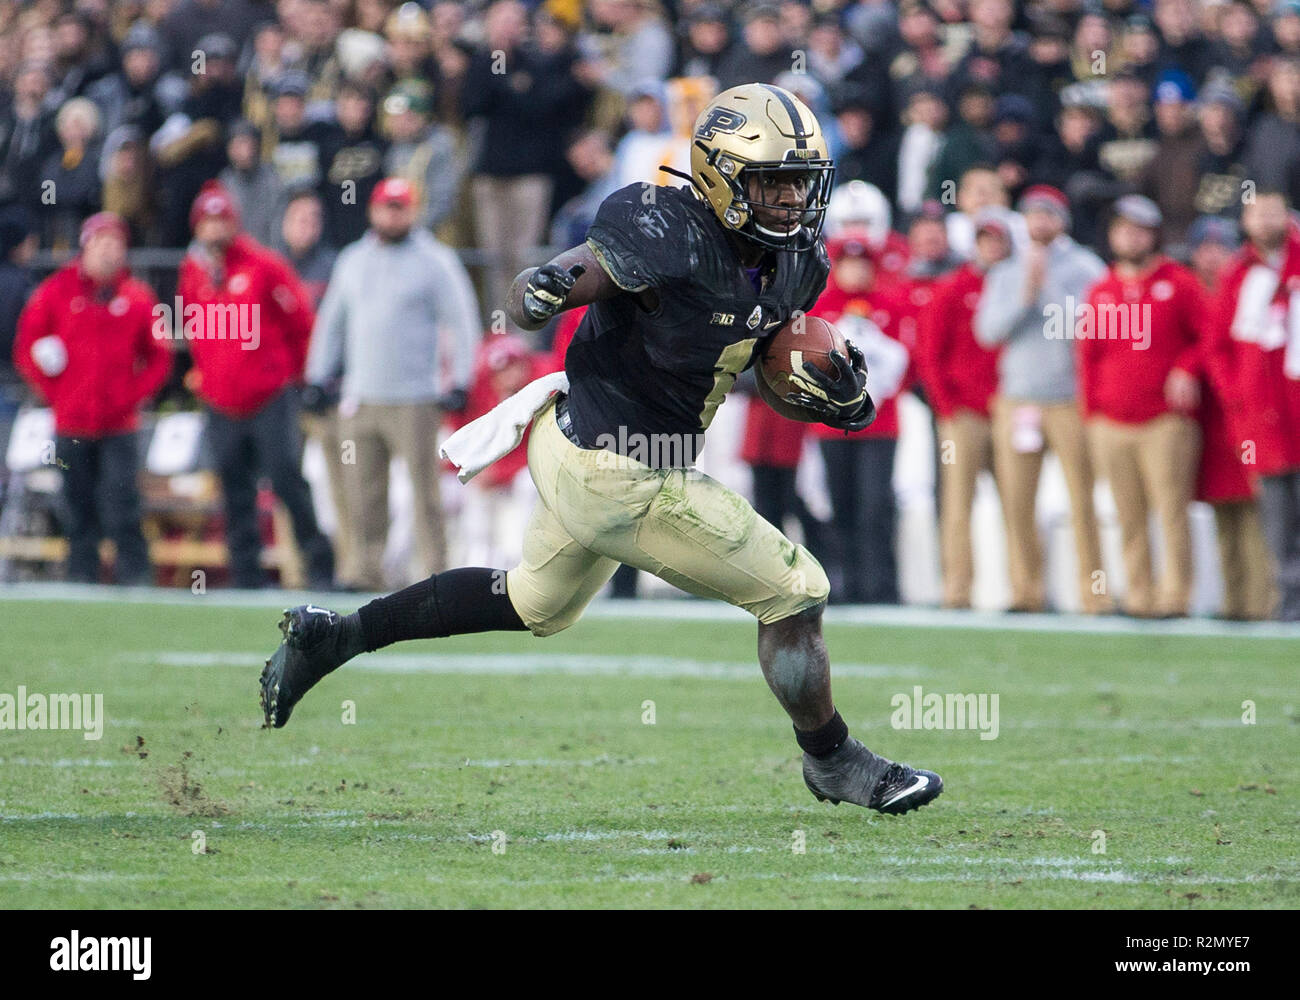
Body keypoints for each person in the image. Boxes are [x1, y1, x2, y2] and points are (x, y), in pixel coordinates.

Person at [261, 84, 943, 817]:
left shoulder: (800, 262)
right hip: (619, 470)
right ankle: (834, 760)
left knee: (532, 601)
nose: (791, 201)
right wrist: (542, 290)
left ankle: (337, 637)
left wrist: (831, 396)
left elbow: (750, 358)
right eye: (773, 182)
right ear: (720, 175)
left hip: (578, 440)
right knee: (798, 591)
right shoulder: (664, 226)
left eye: (801, 183)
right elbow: (569, 275)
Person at [305, 177, 480, 590]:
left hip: (416, 398)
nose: (393, 214)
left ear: (413, 211)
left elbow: (463, 321)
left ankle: (435, 572)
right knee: (362, 492)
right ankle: (364, 570)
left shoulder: (436, 260)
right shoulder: (352, 259)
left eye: (401, 207)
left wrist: (461, 378)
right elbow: (333, 322)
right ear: (373, 210)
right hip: (361, 395)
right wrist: (317, 375)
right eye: (387, 206)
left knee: (424, 493)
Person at [177, 182, 335, 589]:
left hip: (269, 396)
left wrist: (298, 378)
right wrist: (206, 374)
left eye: (221, 221)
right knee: (233, 489)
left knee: (286, 480)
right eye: (208, 222)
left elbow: (301, 324)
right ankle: (246, 574)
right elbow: (195, 329)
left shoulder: (264, 266)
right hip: (220, 399)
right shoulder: (194, 273)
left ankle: (318, 565)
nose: (214, 230)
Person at [12, 213, 170, 584]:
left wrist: (133, 395)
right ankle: (81, 581)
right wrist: (56, 394)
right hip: (72, 424)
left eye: (116, 244)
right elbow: (26, 349)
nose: (109, 252)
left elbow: (159, 356)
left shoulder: (136, 296)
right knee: (76, 508)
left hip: (119, 425)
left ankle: (136, 582)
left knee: (122, 507)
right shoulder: (55, 292)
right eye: (102, 243)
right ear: (86, 247)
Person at [975, 185, 1110, 614]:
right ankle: (1025, 591)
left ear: (1062, 221)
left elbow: (1092, 327)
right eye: (1031, 215)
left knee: (1082, 500)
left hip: (1069, 397)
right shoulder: (1005, 269)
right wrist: (1024, 294)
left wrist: (1045, 286)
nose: (1038, 223)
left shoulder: (1086, 266)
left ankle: (1094, 593)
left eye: (1047, 215)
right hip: (1019, 400)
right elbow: (989, 331)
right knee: (1016, 501)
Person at [1080, 196, 1205, 618]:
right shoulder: (1102, 289)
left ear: (1153, 234)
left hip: (1165, 419)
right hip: (1112, 421)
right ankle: (1139, 595)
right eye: (1121, 229)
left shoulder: (1179, 282)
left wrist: (1186, 368)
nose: (1129, 237)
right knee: (1128, 516)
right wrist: (1091, 414)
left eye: (1138, 229)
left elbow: (1208, 337)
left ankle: (1175, 596)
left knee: (1171, 512)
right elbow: (1088, 356)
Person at [1209, 190, 1300, 620]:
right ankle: (1287, 602)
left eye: (1272, 212)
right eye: (1256, 214)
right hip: (1264, 416)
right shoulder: (1238, 275)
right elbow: (1217, 345)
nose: (1265, 221)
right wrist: (1236, 391)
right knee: (1276, 516)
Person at [919, 208, 1011, 609]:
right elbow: (930, 352)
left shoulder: (1018, 287)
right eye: (985, 239)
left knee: (1018, 503)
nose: (991, 247)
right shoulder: (954, 288)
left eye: (998, 240)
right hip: (964, 413)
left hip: (1010, 408)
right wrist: (946, 407)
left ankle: (1027, 588)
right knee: (958, 503)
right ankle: (957, 590)